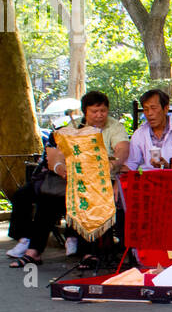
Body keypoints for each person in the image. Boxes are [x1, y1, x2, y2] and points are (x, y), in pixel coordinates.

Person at [11, 90, 131, 267]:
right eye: (94, 112)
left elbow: (122, 149)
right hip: (74, 180)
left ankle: (88, 254)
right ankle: (34, 251)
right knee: (47, 200)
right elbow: (57, 155)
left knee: (88, 200)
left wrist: (114, 163)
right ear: (85, 112)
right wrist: (62, 169)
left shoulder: (114, 127)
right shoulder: (74, 129)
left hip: (102, 181)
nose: (99, 115)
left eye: (103, 111)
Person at [123, 89, 172, 171]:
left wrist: (168, 166)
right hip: (148, 180)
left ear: (166, 108)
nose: (149, 113)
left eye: (154, 108)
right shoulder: (139, 134)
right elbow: (132, 163)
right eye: (146, 109)